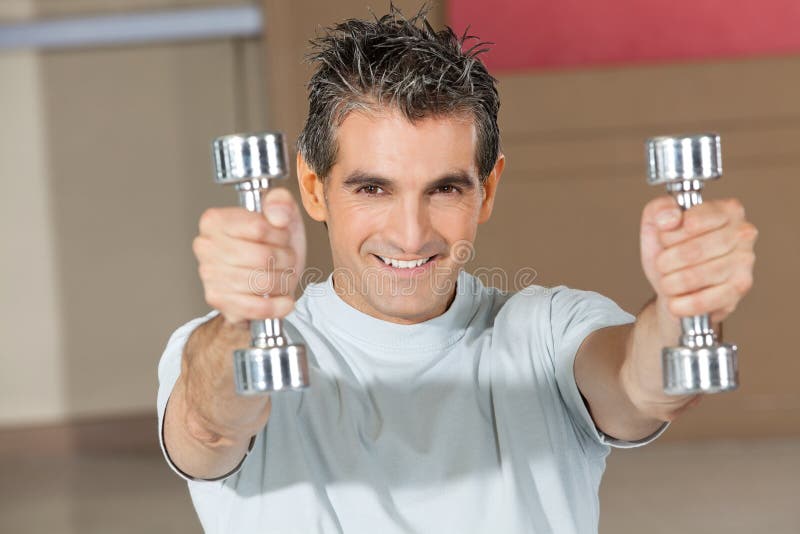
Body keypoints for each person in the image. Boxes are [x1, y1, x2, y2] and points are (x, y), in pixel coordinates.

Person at [157, 5, 758, 533]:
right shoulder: (215, 348)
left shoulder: (546, 329)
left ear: (488, 189)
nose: (411, 233)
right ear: (313, 188)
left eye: (444, 189)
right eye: (373, 188)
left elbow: (644, 387)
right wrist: (244, 318)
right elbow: (208, 427)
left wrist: (686, 307)